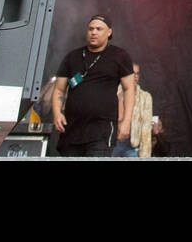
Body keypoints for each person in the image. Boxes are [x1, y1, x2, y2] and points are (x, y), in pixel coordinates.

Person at [52, 14, 136, 156]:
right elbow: (59, 89)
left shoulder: (119, 56)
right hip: (72, 129)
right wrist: (57, 112)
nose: (94, 32)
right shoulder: (73, 56)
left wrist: (126, 121)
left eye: (99, 29)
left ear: (109, 32)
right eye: (91, 29)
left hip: (101, 129)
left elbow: (129, 89)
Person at [111, 62, 152, 157]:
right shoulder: (114, 93)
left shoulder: (145, 97)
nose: (135, 76)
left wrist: (145, 156)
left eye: (137, 74)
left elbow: (146, 128)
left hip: (131, 145)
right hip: (112, 143)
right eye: (132, 73)